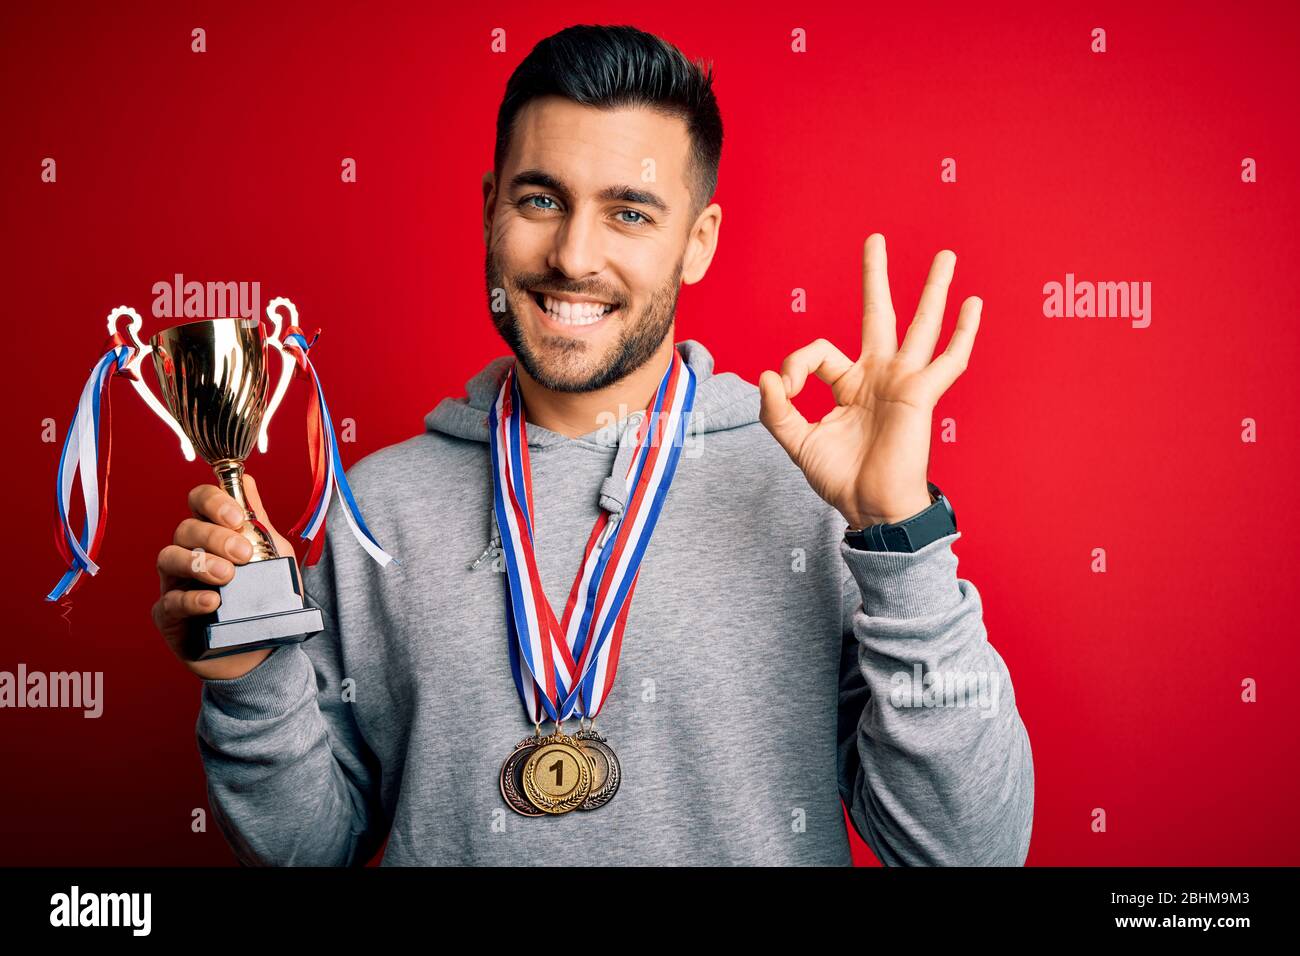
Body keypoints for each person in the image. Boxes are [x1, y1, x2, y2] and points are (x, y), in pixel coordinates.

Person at [152, 24, 1033, 866]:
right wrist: (251, 675)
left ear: (699, 243)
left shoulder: (818, 500)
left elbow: (970, 852)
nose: (574, 255)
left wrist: (901, 537)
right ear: (490, 209)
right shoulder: (373, 509)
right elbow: (305, 851)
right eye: (541, 200)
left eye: (630, 213)